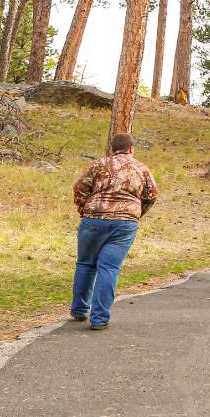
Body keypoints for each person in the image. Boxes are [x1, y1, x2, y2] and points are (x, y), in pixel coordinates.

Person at [71, 132, 158, 329]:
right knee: (108, 268)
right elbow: (152, 194)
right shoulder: (141, 168)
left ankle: (79, 310)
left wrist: (84, 208)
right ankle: (99, 319)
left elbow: (79, 188)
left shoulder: (98, 164)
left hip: (93, 219)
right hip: (124, 225)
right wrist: (135, 213)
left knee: (85, 264)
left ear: (112, 148)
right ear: (131, 149)